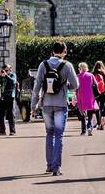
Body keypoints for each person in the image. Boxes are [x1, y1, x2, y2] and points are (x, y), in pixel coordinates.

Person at [32, 41, 76, 176]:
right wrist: (65, 85)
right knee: (59, 135)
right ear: (64, 52)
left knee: (49, 134)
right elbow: (75, 84)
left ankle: (49, 165)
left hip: (46, 104)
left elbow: (37, 86)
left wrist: (33, 106)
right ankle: (56, 167)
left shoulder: (43, 65)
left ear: (52, 51)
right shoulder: (67, 65)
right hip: (60, 104)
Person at [76, 62, 98, 136]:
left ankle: (83, 131)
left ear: (80, 68)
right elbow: (96, 84)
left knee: (82, 114)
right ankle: (89, 127)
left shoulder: (78, 76)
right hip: (90, 96)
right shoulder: (91, 75)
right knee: (90, 112)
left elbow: (75, 87)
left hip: (81, 96)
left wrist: (74, 96)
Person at [0, 64, 18, 135]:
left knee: (11, 114)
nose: (5, 72)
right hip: (3, 97)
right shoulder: (2, 77)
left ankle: (12, 131)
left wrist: (6, 75)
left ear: (10, 70)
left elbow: (13, 82)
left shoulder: (13, 75)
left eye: (6, 70)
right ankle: (2, 131)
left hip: (10, 97)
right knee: (1, 115)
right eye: (4, 70)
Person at [92, 61, 105, 129]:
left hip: (95, 93)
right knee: (102, 108)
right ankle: (102, 124)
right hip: (103, 92)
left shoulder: (93, 73)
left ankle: (98, 123)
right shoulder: (104, 73)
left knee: (97, 108)